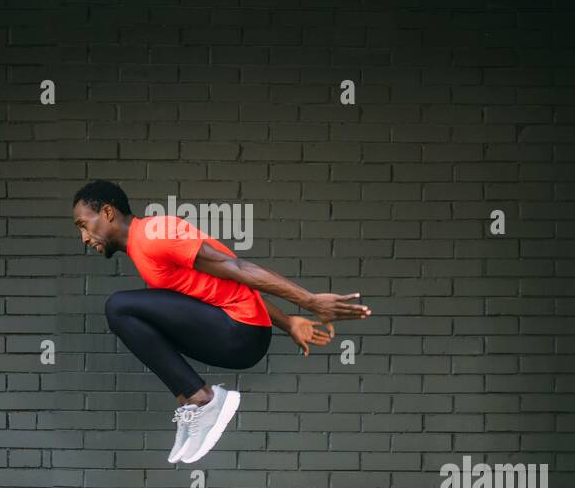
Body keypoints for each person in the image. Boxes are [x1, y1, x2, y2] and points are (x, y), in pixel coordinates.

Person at [72, 179, 371, 463]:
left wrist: (308, 300)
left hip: (239, 333)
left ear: (108, 212)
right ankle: (191, 402)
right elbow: (222, 290)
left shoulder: (154, 235)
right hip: (237, 333)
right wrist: (289, 323)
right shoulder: (141, 252)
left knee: (119, 307)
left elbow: (236, 268)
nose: (84, 238)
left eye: (84, 225)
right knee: (136, 318)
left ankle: (204, 399)